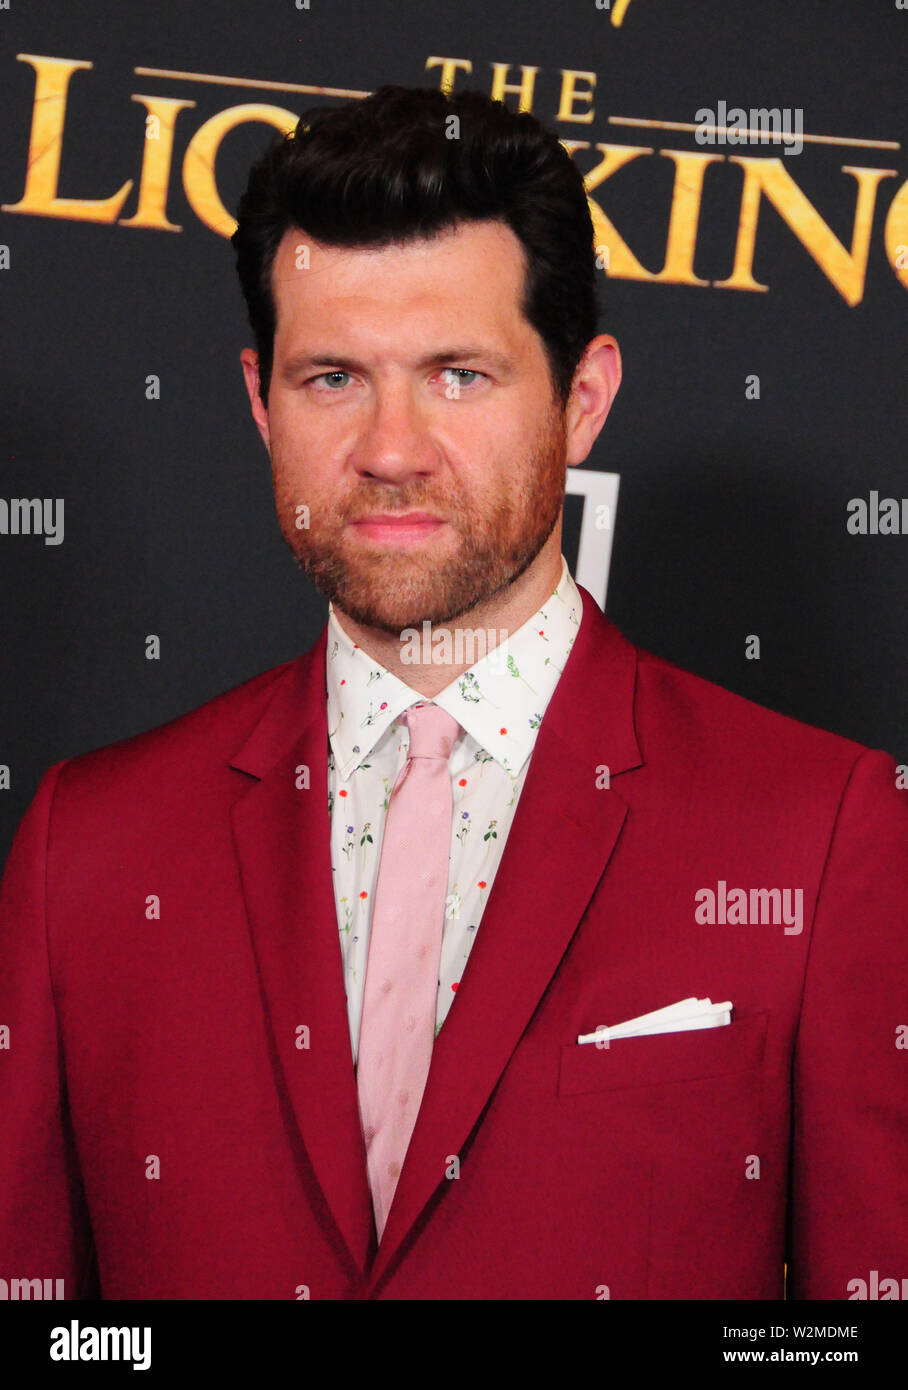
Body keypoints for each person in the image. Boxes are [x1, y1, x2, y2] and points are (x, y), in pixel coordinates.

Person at [1, 85, 905, 1301]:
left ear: (580, 399)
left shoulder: (819, 831)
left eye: (458, 376)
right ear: (261, 402)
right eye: (332, 378)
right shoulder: (87, 848)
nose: (391, 446)